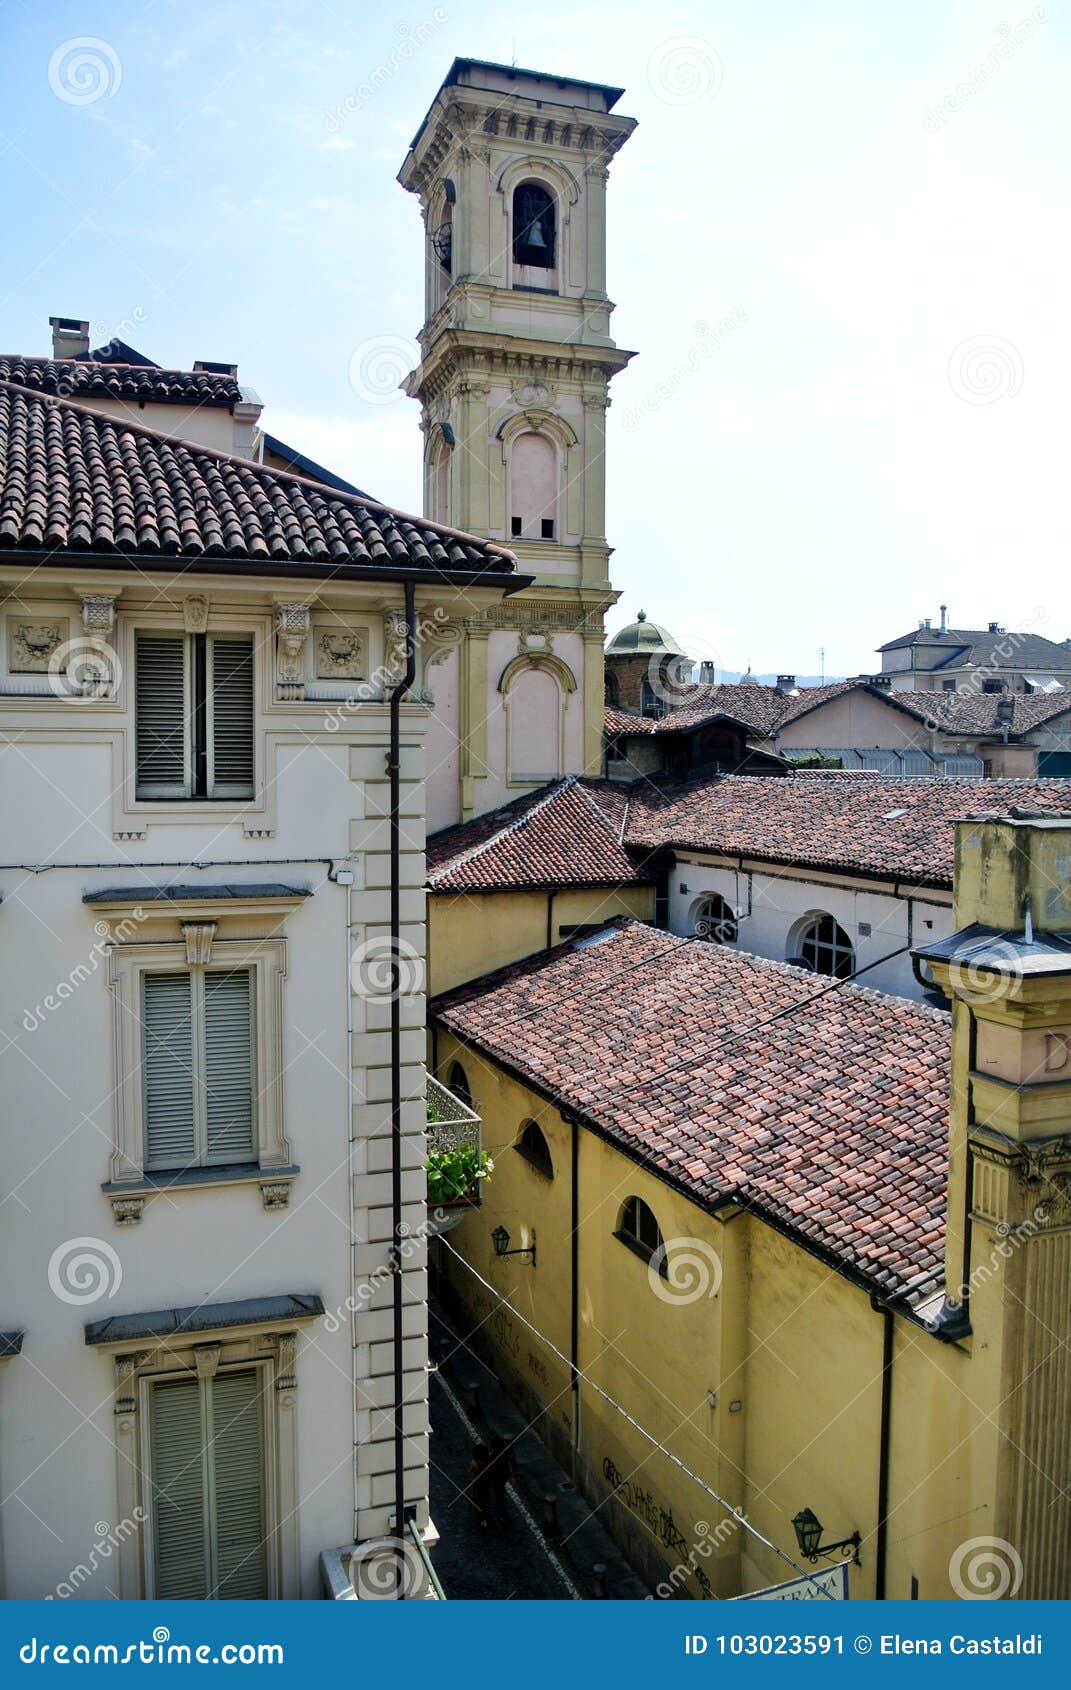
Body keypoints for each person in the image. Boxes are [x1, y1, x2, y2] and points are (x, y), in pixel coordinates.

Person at [486, 1432, 516, 1523]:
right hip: (502, 1479)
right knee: (499, 1495)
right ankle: (500, 1509)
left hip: (497, 1480)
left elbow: (489, 1469)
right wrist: (511, 1476)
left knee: (498, 1496)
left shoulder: (492, 1458)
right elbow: (509, 1464)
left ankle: (499, 1511)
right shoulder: (504, 1454)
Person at [469, 1442, 492, 1529]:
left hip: (480, 1485)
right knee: (483, 1501)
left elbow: (471, 1470)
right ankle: (484, 1516)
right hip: (485, 1485)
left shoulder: (474, 1463)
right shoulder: (489, 1463)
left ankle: (483, 1518)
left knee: (479, 1501)